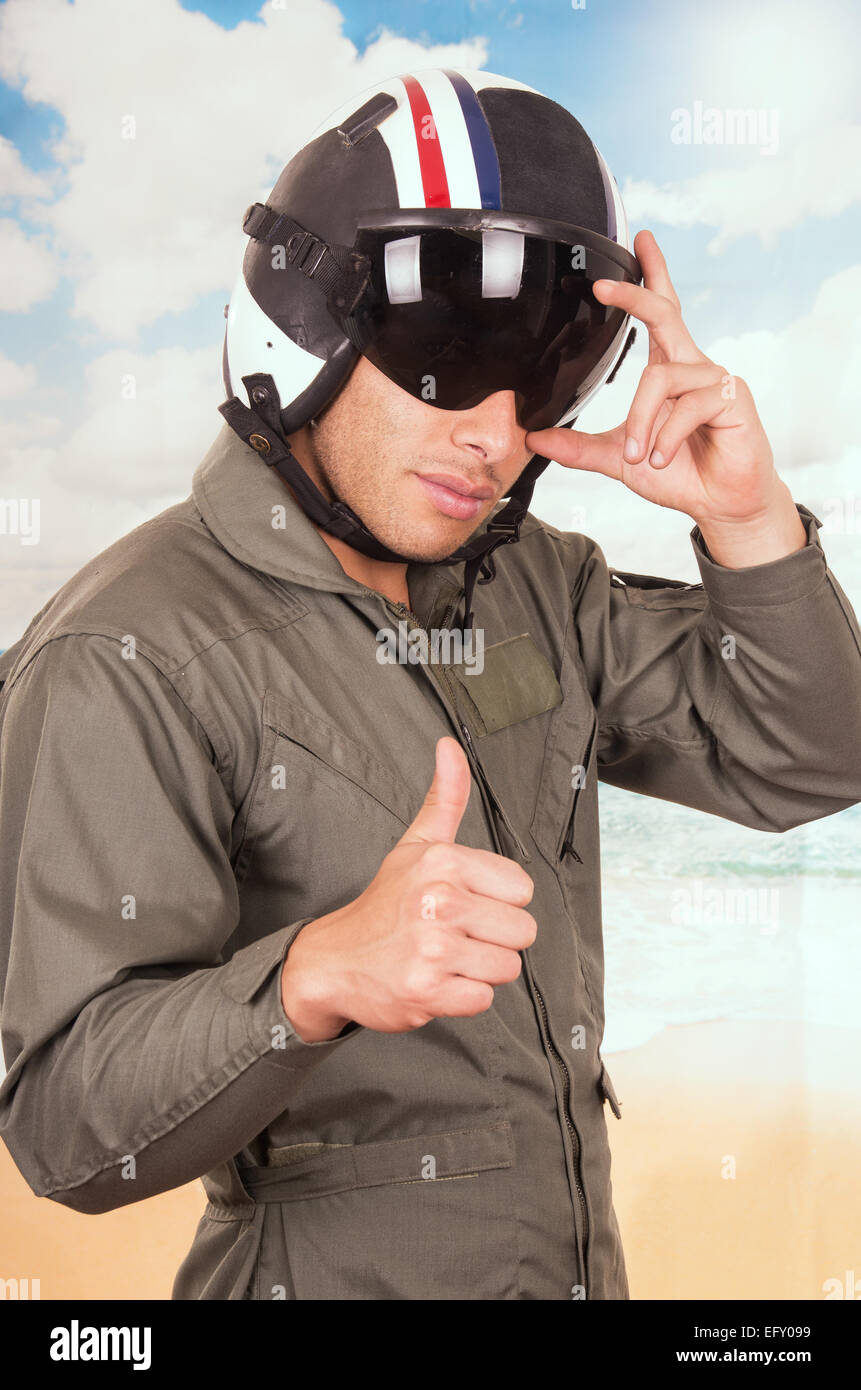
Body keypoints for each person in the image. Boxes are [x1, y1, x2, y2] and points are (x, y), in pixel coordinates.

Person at [1, 67, 859, 1302]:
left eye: (547, 377)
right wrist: (314, 978)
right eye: (448, 363)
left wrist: (750, 521)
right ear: (312, 328)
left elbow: (813, 756)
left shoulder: (539, 588)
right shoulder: (127, 652)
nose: (497, 435)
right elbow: (67, 1128)